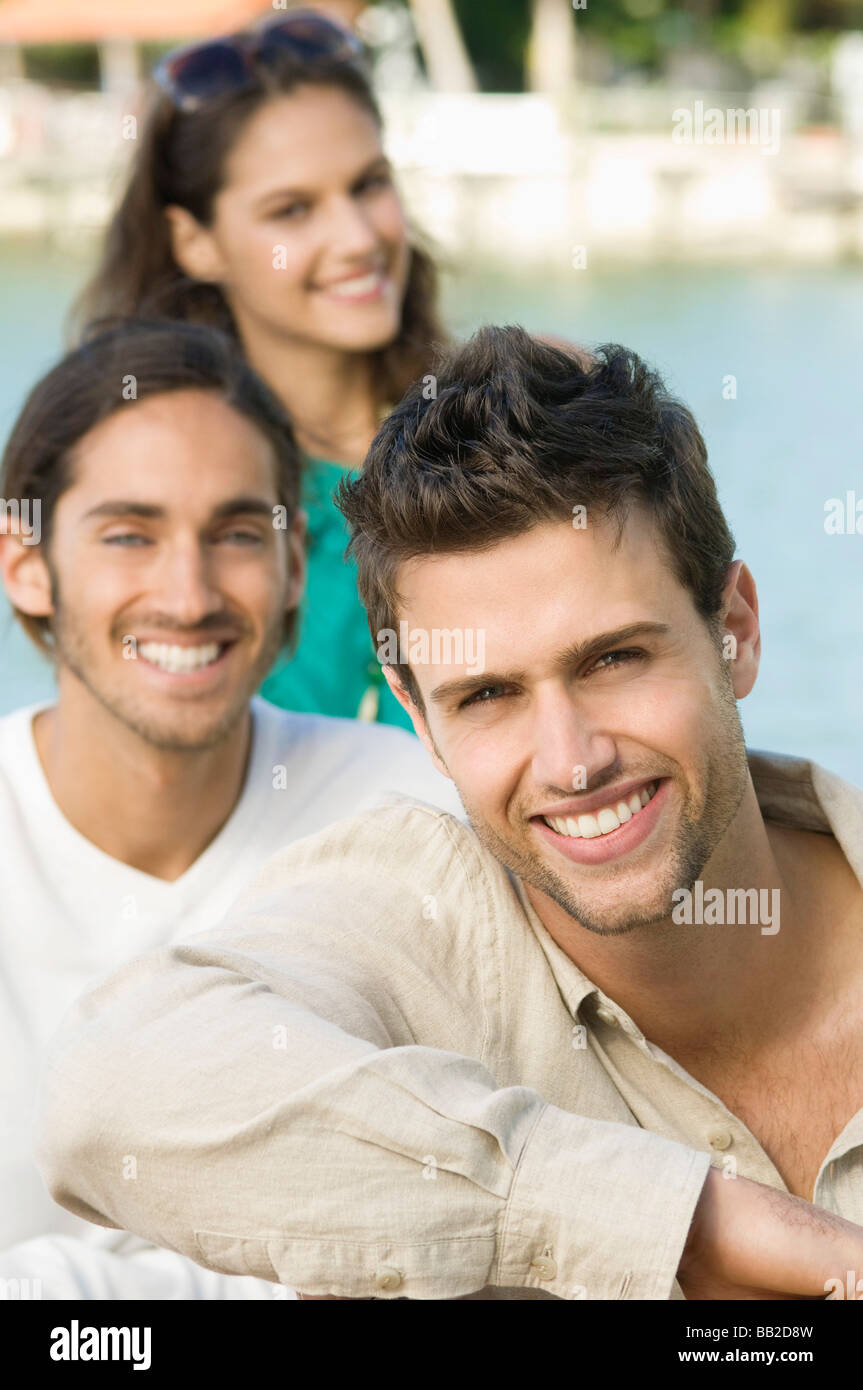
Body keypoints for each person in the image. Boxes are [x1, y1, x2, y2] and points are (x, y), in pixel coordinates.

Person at [38, 326, 863, 1301]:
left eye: (611, 659)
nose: (571, 761)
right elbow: (107, 1092)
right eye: (487, 696)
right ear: (419, 720)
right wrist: (676, 1219)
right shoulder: (409, 920)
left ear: (732, 632)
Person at [0, 318, 461, 1300]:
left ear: (296, 568)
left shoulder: (418, 813)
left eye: (239, 533)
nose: (189, 591)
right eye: (129, 533)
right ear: (25, 563)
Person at [73, 8, 449, 730]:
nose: (357, 238)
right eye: (291, 210)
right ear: (196, 242)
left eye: (368, 184)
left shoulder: (503, 423)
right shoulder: (159, 503)